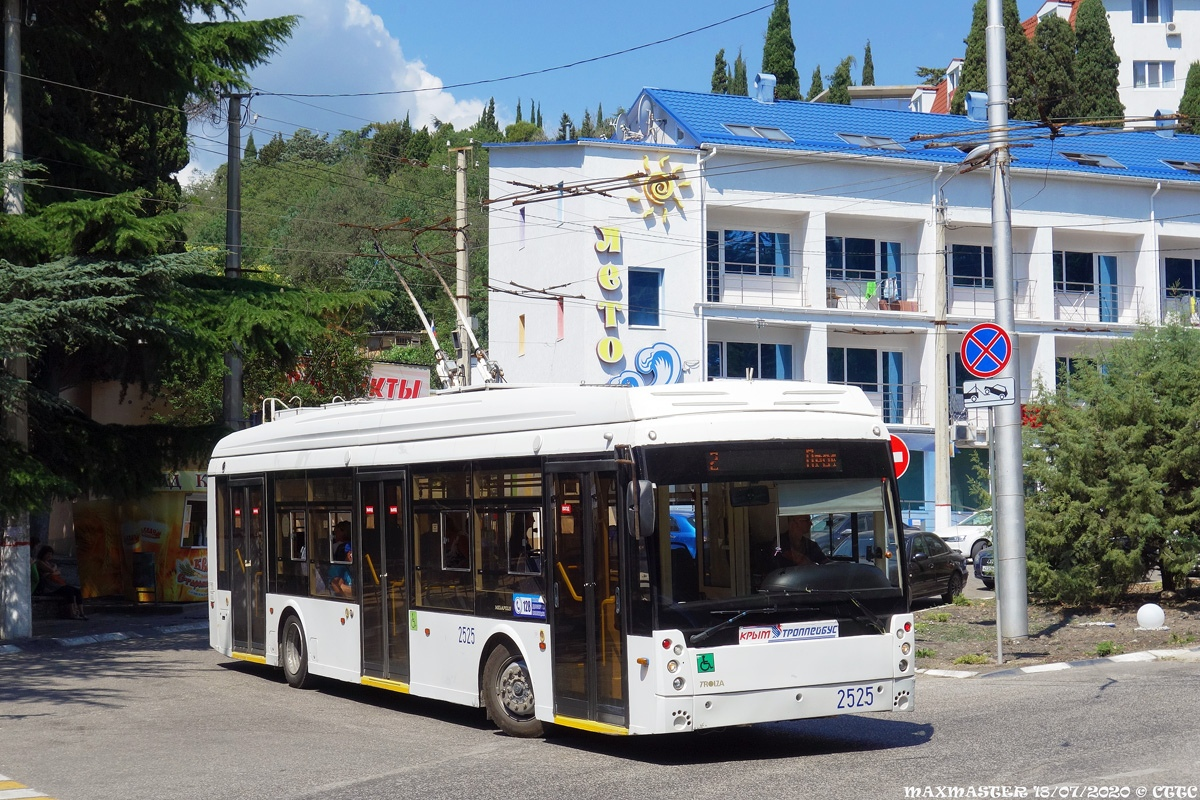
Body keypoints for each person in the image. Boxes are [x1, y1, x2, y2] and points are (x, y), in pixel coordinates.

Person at [34, 546, 87, 619]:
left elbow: (58, 572)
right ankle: (72, 613)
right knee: (69, 591)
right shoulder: (40, 562)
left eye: (51, 554)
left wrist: (53, 571)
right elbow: (52, 571)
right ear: (43, 553)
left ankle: (81, 612)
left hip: (57, 584)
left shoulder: (51, 564)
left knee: (77, 591)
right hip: (50, 587)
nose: (49, 556)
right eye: (48, 554)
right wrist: (54, 569)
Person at [328, 521, 354, 598]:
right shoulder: (356, 543)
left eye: (336, 532)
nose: (335, 535)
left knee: (335, 583)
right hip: (347, 573)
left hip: (343, 573)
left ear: (343, 532)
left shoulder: (339, 546)